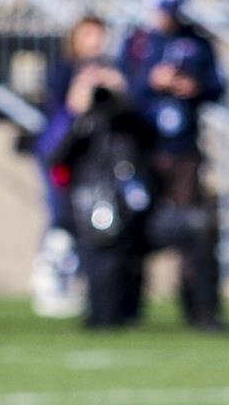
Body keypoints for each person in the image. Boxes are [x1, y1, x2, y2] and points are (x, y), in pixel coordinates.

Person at [121, 0, 228, 332]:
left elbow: (218, 88)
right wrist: (150, 82)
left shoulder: (198, 41)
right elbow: (122, 93)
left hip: (183, 152)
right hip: (142, 152)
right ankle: (126, 307)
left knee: (196, 230)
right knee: (130, 226)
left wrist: (193, 87)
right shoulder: (136, 42)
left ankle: (200, 310)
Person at [51, 60, 159, 329]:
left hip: (131, 206)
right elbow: (55, 156)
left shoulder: (129, 120)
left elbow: (151, 137)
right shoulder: (82, 121)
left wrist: (126, 95)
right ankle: (102, 313)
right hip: (91, 206)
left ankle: (125, 312)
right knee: (101, 246)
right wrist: (75, 112)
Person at [31, 14, 111, 319]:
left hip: (93, 160)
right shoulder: (64, 71)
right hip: (61, 155)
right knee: (60, 220)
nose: (96, 42)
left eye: (99, 35)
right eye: (89, 35)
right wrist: (81, 93)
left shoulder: (109, 69)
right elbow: (62, 116)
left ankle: (81, 285)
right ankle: (51, 284)